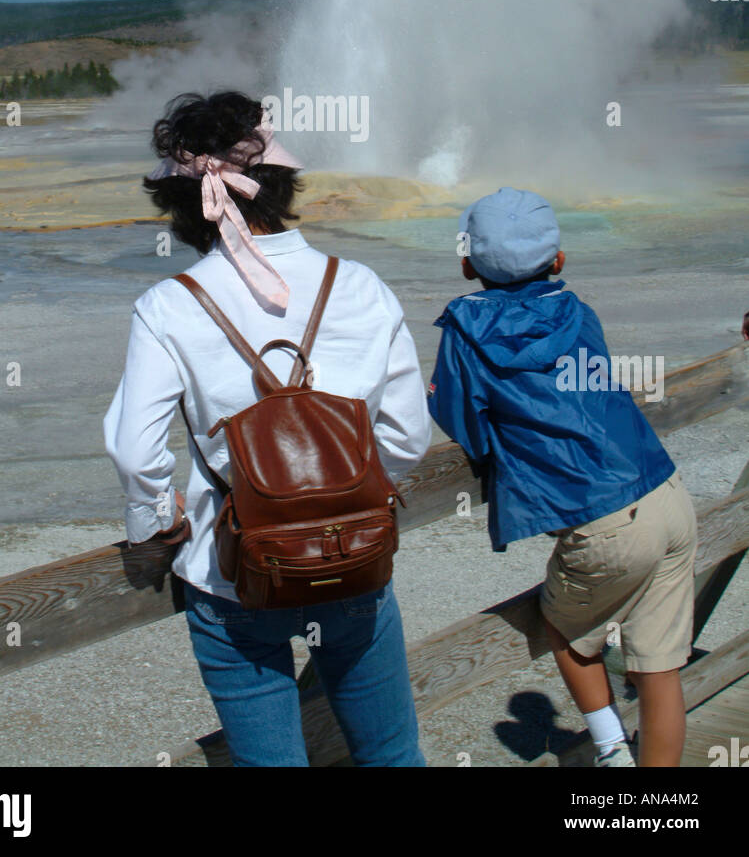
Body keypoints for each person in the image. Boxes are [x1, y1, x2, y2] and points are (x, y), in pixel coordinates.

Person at [104, 90, 430, 767]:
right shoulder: (359, 284)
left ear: (180, 206)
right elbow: (405, 435)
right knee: (392, 754)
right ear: (279, 186)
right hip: (353, 556)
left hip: (230, 575)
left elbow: (139, 453)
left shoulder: (167, 307)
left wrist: (149, 527)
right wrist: (344, 496)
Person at [427, 187, 697, 768]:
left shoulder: (465, 331)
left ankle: (611, 754)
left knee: (565, 629)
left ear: (467, 262)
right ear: (559, 260)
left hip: (604, 521)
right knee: (658, 668)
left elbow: (463, 423)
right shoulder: (578, 311)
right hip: (666, 493)